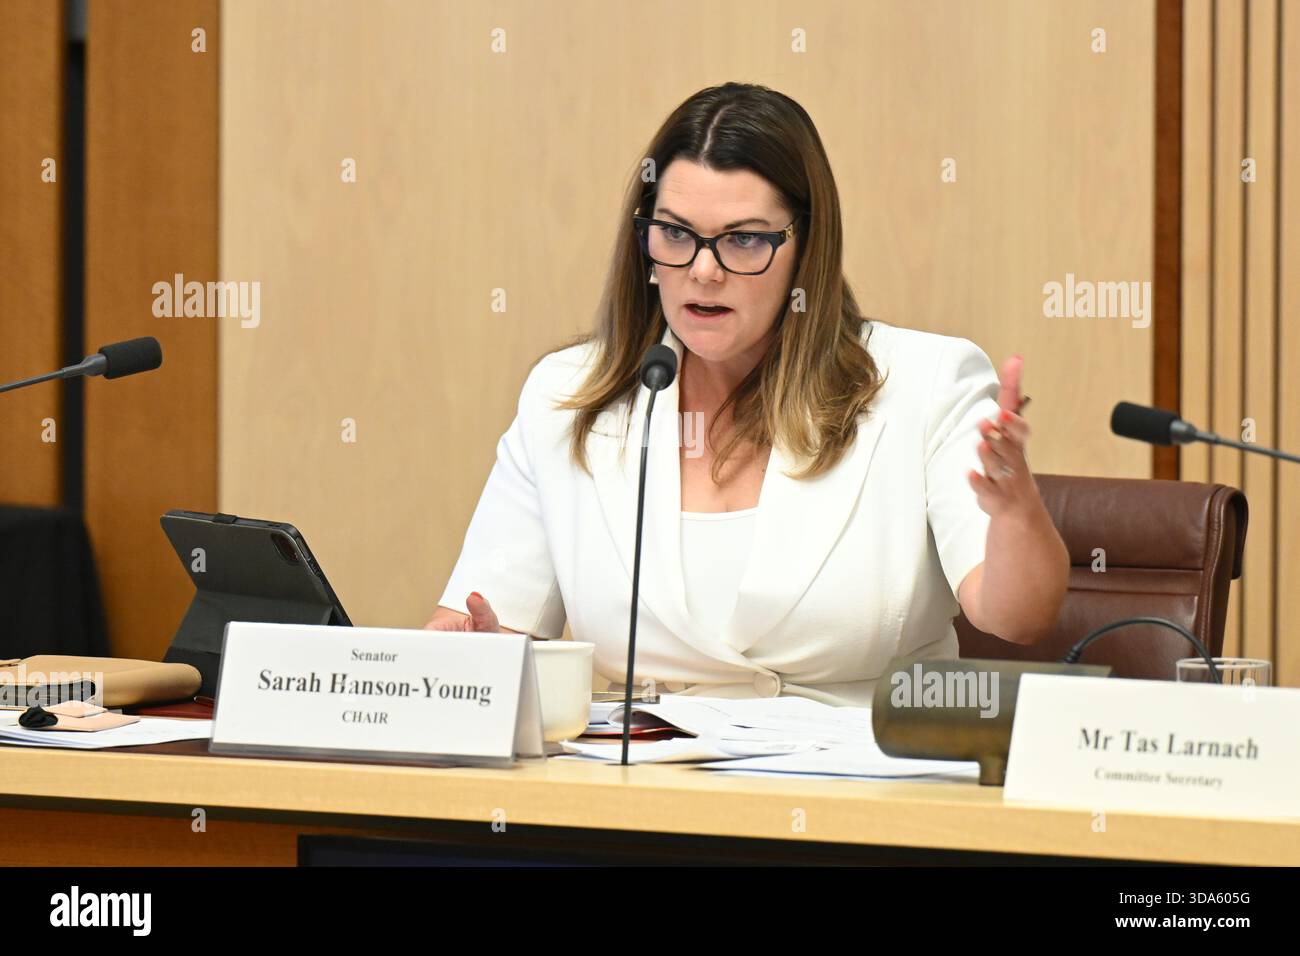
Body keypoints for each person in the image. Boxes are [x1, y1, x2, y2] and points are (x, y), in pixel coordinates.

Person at [425, 82, 1068, 706]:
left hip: (865, 789)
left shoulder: (925, 383)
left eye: (744, 240)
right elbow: (476, 633)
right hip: (640, 792)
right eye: (675, 233)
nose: (704, 270)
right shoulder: (569, 398)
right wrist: (474, 666)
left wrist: (1015, 511)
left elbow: (1017, 617)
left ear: (806, 249)